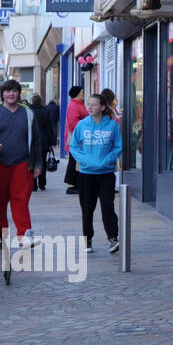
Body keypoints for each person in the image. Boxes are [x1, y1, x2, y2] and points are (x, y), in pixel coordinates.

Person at [0, 79, 45, 245]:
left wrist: (38, 164)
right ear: (2, 94)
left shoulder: (28, 113)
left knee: (21, 199)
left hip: (23, 163)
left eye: (14, 91)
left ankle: (24, 235)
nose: (11, 94)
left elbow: (37, 140)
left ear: (19, 93)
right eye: (8, 91)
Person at [68, 91, 122, 254]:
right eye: (88, 104)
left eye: (94, 104)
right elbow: (74, 146)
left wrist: (107, 160)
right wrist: (85, 160)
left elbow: (117, 147)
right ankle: (87, 239)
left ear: (103, 107)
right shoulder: (82, 125)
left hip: (106, 174)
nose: (90, 107)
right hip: (86, 174)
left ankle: (112, 238)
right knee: (87, 208)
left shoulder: (112, 126)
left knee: (108, 206)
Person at [63, 85, 89, 195]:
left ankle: (74, 184)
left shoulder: (79, 104)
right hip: (76, 138)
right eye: (82, 92)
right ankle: (71, 185)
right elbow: (73, 123)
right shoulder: (74, 105)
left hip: (79, 137)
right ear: (77, 93)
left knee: (76, 161)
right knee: (73, 161)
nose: (83, 93)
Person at [28, 95, 57, 191]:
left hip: (32, 140)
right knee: (42, 162)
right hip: (43, 140)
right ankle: (42, 184)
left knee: (32, 162)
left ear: (32, 101)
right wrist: (52, 141)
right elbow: (49, 127)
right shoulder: (45, 111)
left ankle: (33, 184)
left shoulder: (29, 111)